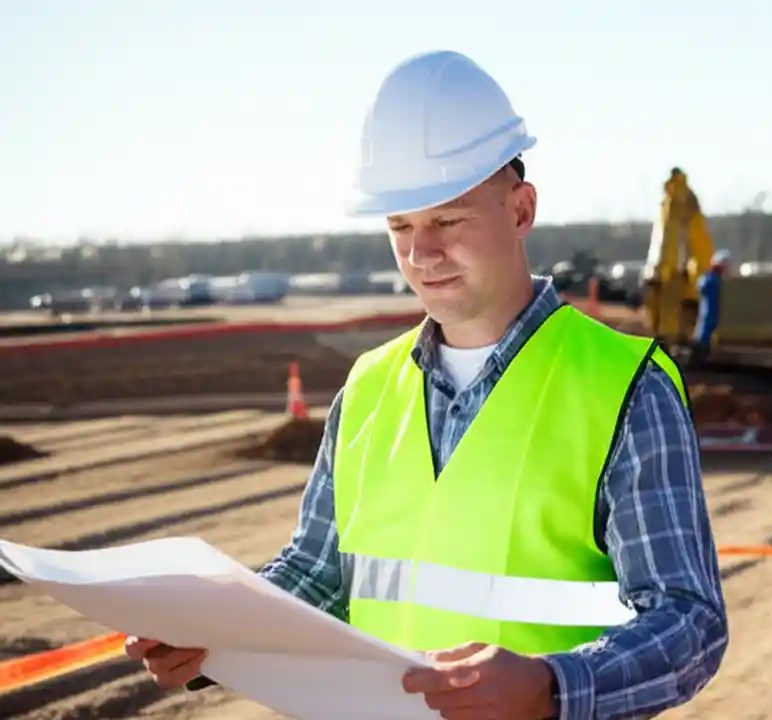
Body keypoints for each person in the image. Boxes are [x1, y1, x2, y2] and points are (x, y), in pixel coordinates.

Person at [125, 50, 727, 719]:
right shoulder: (368, 386)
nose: (421, 254)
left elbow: (689, 621)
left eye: (447, 220)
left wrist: (551, 687)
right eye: (400, 227)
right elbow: (318, 574)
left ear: (521, 208)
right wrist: (216, 633)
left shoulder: (625, 385)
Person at [691, 249, 729, 360]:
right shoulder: (712, 280)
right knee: (706, 330)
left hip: (708, 317)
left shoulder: (709, 279)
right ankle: (700, 354)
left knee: (705, 329)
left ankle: (701, 352)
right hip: (709, 316)